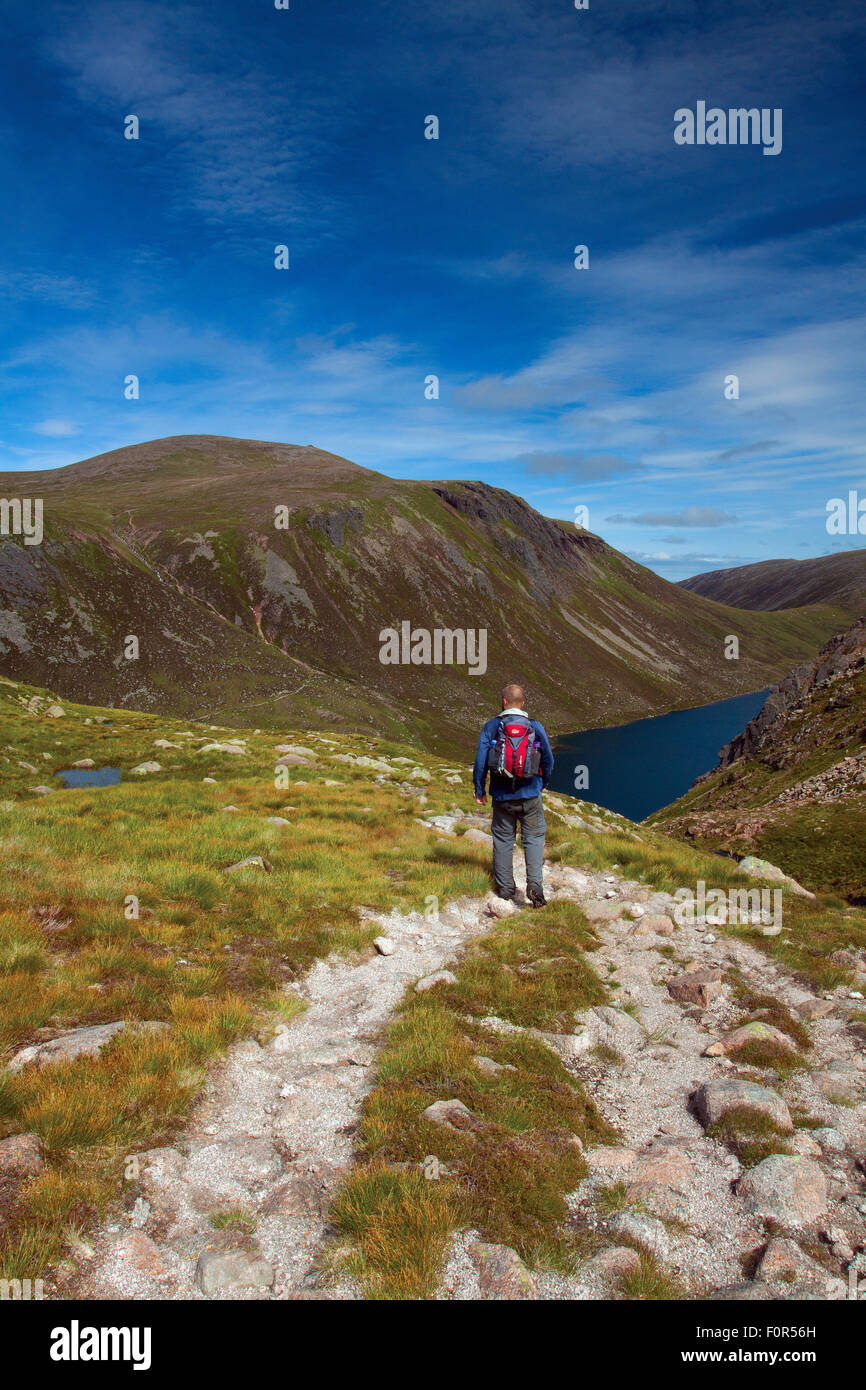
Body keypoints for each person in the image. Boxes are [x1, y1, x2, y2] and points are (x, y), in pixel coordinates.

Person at [472, 683, 554, 907]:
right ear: (523, 703)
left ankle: (506, 889)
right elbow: (548, 760)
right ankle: (535, 887)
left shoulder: (491, 727)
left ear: (504, 702)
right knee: (534, 838)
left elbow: (480, 762)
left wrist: (479, 790)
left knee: (503, 839)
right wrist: (542, 783)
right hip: (530, 794)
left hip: (502, 796)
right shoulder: (535, 727)